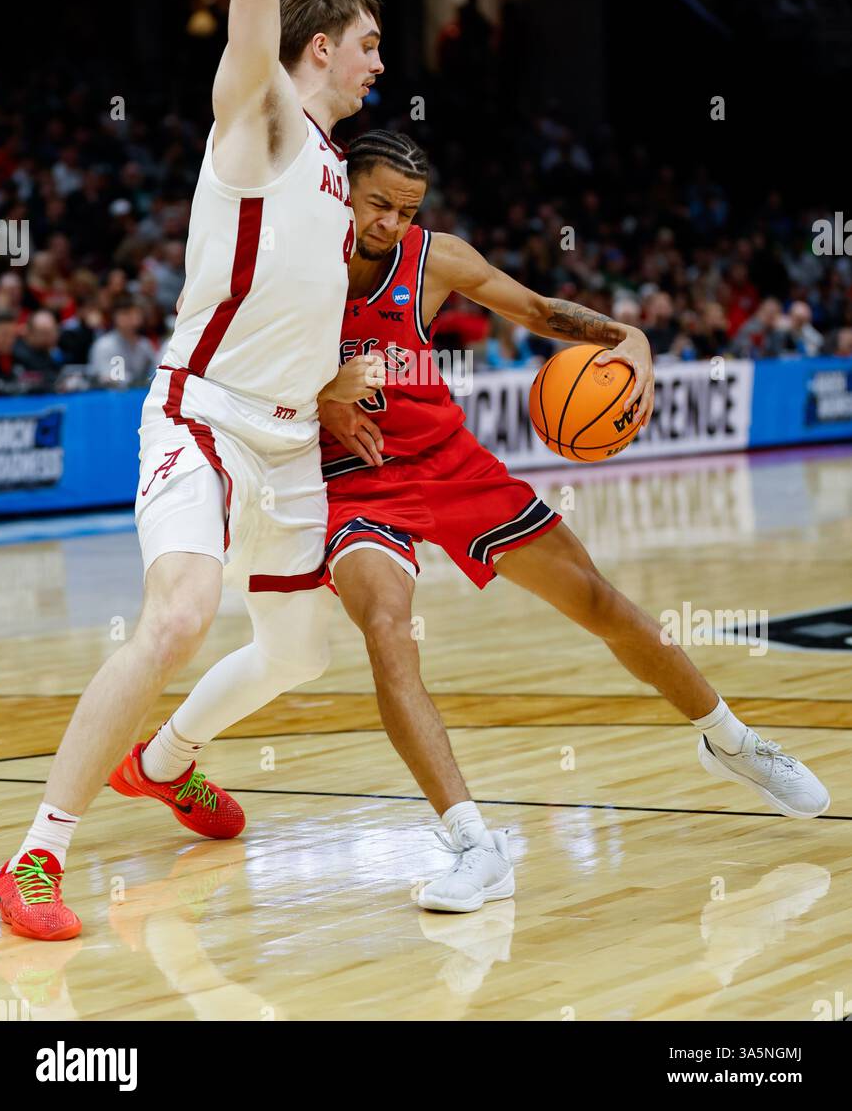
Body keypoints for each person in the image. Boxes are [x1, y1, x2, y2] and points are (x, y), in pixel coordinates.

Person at [117, 132, 829, 915]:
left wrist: (628, 339)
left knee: (599, 601)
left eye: (407, 209)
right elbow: (229, 363)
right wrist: (322, 388)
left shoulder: (436, 258)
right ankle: (474, 845)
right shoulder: (289, 258)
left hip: (452, 465)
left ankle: (731, 742)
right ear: (339, 186)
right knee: (386, 626)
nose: (390, 222)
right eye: (378, 203)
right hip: (355, 483)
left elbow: (535, 309)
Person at [0, 0, 385, 942]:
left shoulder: (330, 168)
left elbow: (292, 310)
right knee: (177, 614)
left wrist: (333, 381)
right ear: (317, 47)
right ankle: (33, 857)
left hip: (284, 442)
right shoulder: (262, 117)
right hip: (200, 419)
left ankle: (162, 760)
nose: (379, 59)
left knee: (297, 653)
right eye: (367, 41)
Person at [86, 296, 158, 388]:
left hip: (139, 395)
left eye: (135, 313)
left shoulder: (145, 344)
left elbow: (156, 371)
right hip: (109, 396)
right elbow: (109, 379)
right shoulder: (104, 345)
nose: (132, 318)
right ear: (115, 317)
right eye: (125, 313)